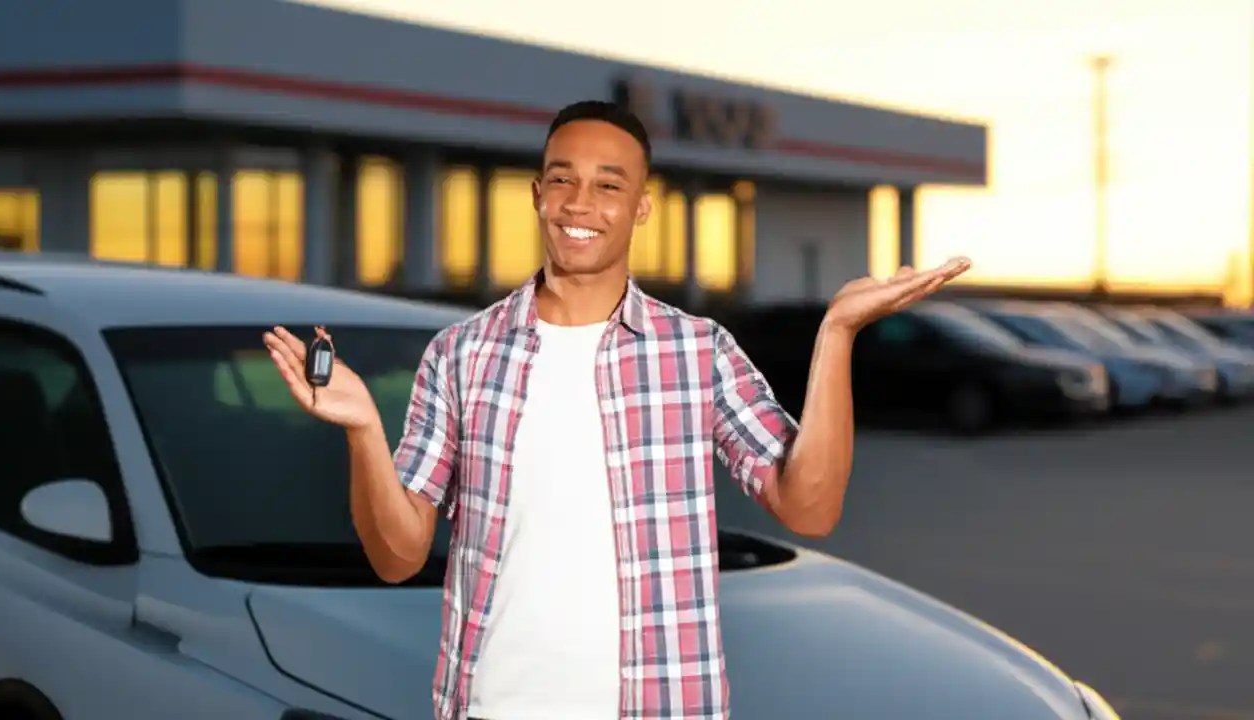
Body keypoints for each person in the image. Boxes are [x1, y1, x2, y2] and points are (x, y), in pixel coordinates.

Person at [264, 100, 970, 720]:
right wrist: (362, 430)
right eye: (564, 179)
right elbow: (397, 556)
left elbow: (808, 507)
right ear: (537, 194)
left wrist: (836, 336)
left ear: (640, 208)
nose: (580, 203)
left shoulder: (699, 353)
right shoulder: (460, 355)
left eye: (609, 185)